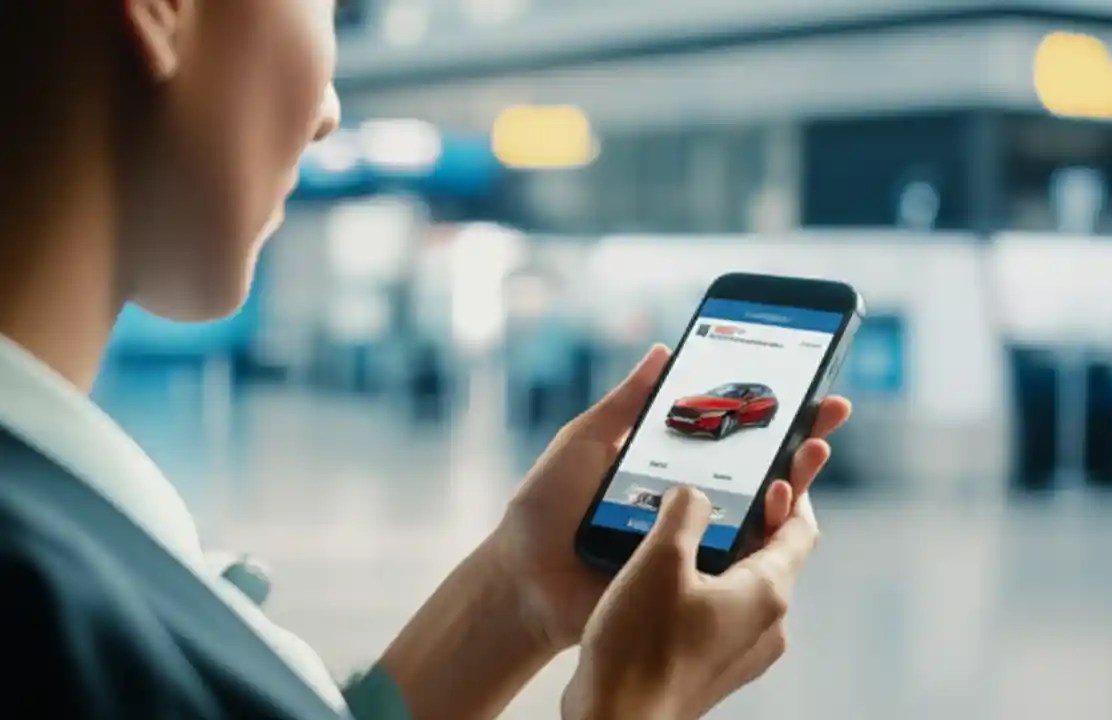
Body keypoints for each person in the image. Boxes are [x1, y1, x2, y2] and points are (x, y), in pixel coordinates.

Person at [0, 3, 851, 719]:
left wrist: (514, 598)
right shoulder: (56, 620)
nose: (330, 108)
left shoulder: (72, 568)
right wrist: (635, 702)